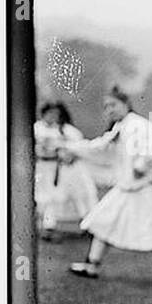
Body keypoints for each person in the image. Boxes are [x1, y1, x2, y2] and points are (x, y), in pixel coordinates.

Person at [67, 86, 152, 283]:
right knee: (104, 220)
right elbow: (99, 147)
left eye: (113, 104)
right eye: (106, 107)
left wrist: (141, 166)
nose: (109, 110)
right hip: (129, 186)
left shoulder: (139, 125)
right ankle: (92, 265)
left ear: (126, 104)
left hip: (148, 187)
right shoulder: (120, 127)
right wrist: (71, 148)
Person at [34, 100, 96, 239]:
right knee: (39, 197)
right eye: (50, 113)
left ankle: (51, 226)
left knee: (55, 197)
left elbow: (78, 146)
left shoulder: (64, 130)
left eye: (55, 114)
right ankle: (40, 226)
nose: (53, 117)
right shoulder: (36, 128)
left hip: (57, 168)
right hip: (40, 166)